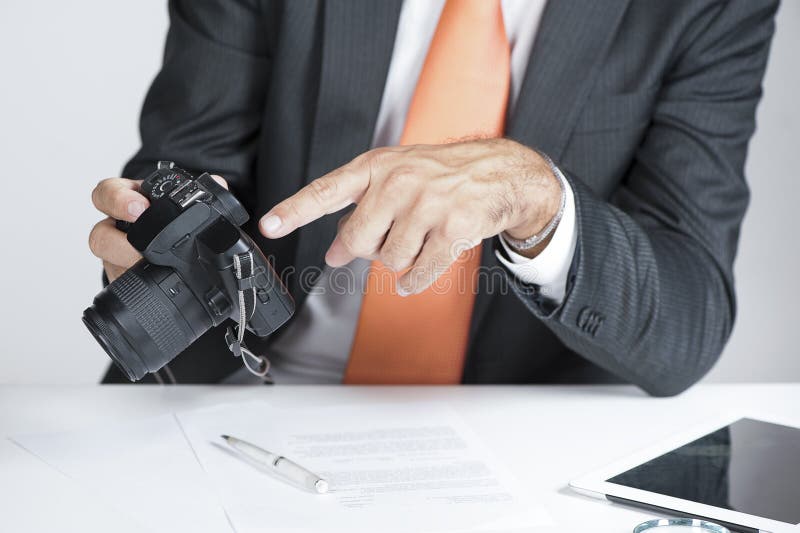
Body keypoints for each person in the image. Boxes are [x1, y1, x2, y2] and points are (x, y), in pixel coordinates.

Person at [88, 0, 778, 395]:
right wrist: (150, 233)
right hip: (247, 392)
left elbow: (689, 316)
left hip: (521, 433)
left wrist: (538, 200)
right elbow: (187, 168)